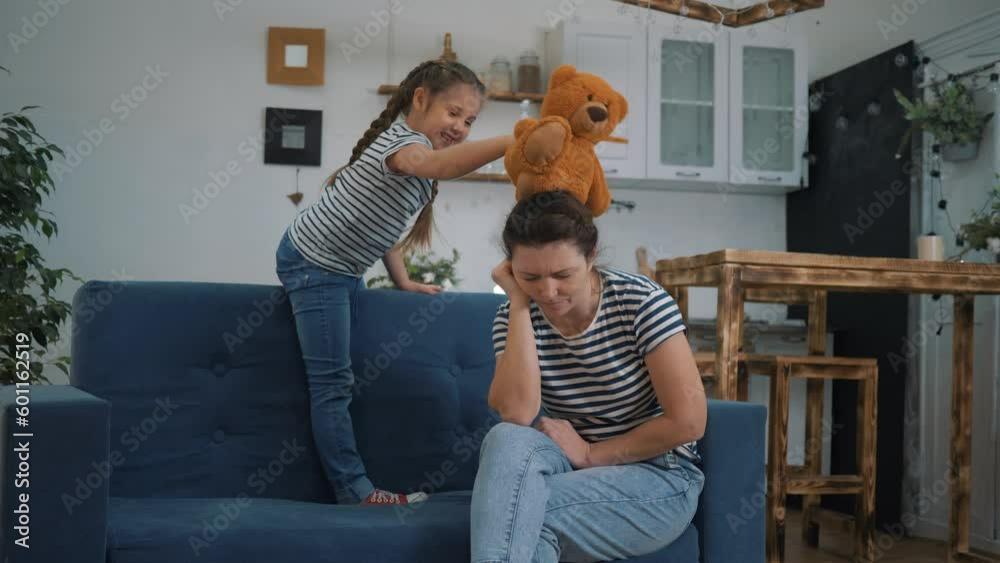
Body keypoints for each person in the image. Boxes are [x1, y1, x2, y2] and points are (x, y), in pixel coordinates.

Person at [275, 60, 512, 506]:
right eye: (453, 113)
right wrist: (510, 142)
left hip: (341, 267)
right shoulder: (405, 146)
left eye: (469, 120)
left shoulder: (415, 152)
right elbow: (440, 166)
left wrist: (401, 280)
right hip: (315, 263)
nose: (460, 126)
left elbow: (381, 225)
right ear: (420, 98)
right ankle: (354, 491)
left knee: (346, 376)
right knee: (332, 383)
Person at [472, 190, 707, 562]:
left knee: (518, 514)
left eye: (563, 274)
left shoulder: (640, 301)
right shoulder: (512, 316)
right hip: (572, 467)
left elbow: (689, 422)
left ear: (591, 254)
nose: (547, 292)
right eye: (529, 276)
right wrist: (518, 304)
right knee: (507, 439)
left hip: (658, 475)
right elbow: (517, 413)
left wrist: (592, 453)